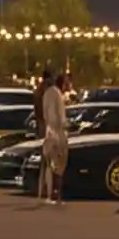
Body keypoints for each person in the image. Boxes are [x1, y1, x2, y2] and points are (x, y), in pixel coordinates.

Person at [41, 73, 70, 206]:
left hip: (49, 133)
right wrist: (65, 125)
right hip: (58, 134)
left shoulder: (47, 93)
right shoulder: (57, 94)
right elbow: (59, 116)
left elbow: (45, 114)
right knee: (59, 167)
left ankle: (49, 194)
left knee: (49, 166)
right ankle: (56, 195)